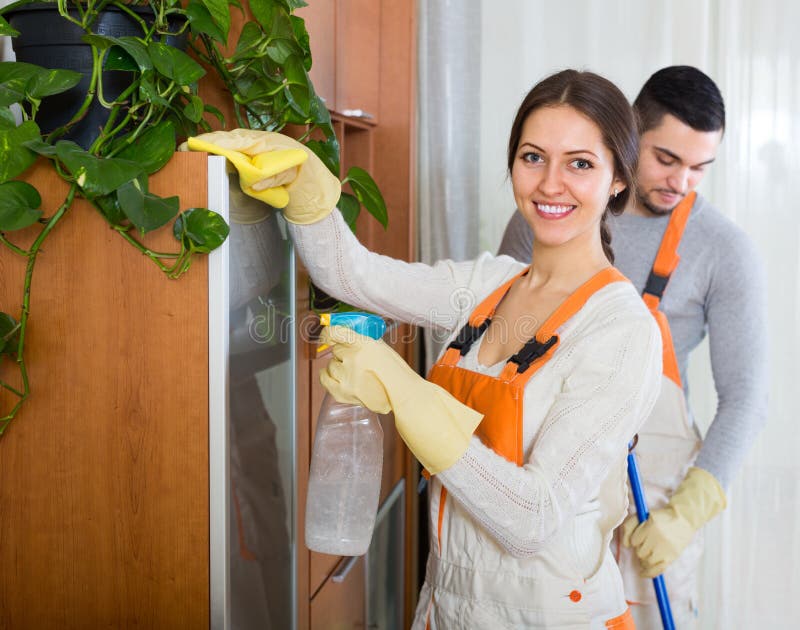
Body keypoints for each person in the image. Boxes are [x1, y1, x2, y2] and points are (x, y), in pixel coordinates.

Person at [187, 69, 662, 629]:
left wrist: (410, 397)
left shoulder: (621, 332)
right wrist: (309, 195)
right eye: (533, 157)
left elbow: (533, 519)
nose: (551, 183)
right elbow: (354, 275)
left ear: (617, 181)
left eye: (580, 163)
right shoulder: (489, 286)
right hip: (445, 607)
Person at [497, 66, 769, 629]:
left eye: (699, 167)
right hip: (550, 476)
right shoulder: (543, 219)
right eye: (666, 159)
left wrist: (687, 514)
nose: (682, 182)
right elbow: (497, 353)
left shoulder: (724, 249)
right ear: (627, 136)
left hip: (655, 495)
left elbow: (746, 397)